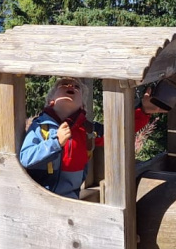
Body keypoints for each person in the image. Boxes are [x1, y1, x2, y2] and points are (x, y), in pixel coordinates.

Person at [20, 77, 166, 199]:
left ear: (83, 105)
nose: (70, 86)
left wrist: (144, 111)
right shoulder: (40, 127)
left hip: (72, 202)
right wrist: (56, 142)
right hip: (38, 200)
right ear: (51, 100)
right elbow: (25, 158)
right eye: (63, 85)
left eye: (76, 87)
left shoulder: (87, 130)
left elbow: (119, 131)